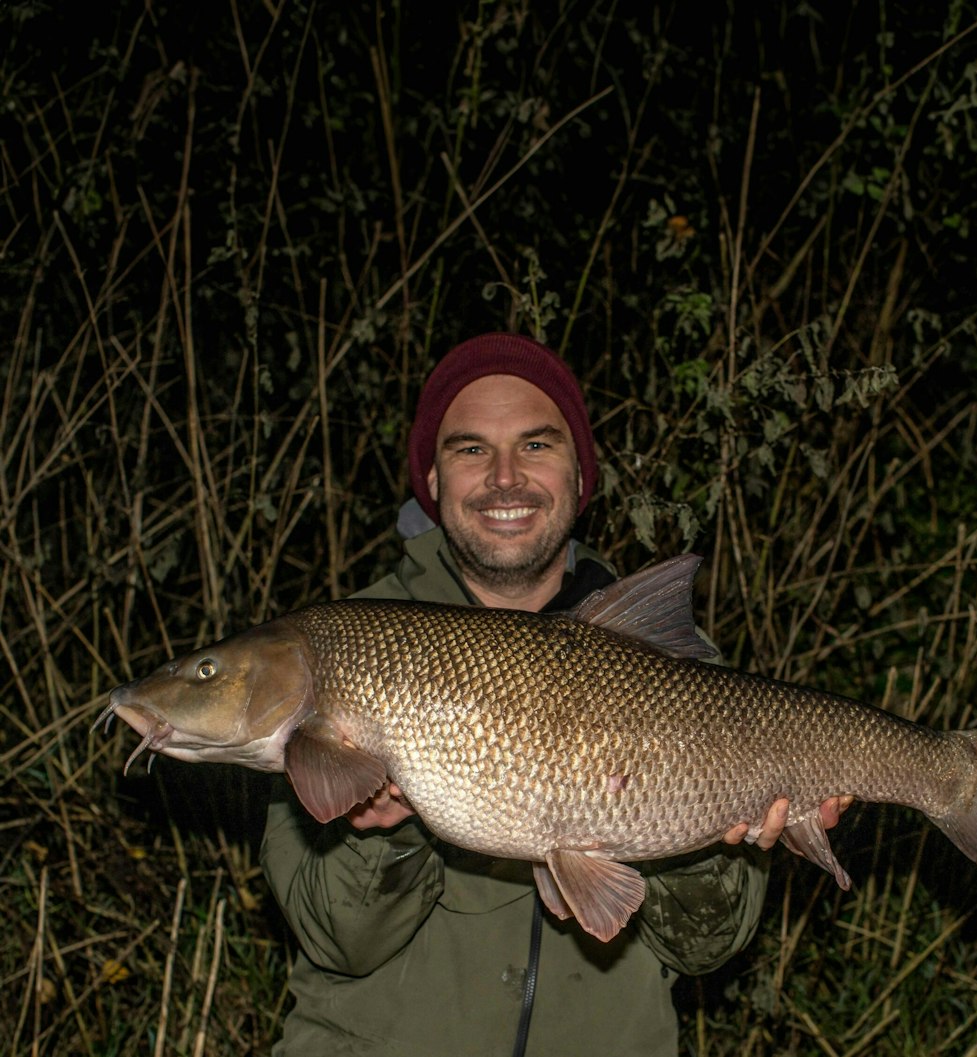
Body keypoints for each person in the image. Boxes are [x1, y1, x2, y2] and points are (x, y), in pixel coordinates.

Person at [260, 332, 850, 1057]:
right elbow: (336, 940)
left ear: (579, 478)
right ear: (433, 481)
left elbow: (708, 949)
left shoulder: (672, 674)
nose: (505, 478)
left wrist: (702, 840)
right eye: (470, 449)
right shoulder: (347, 650)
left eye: (536, 445)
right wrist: (387, 831)